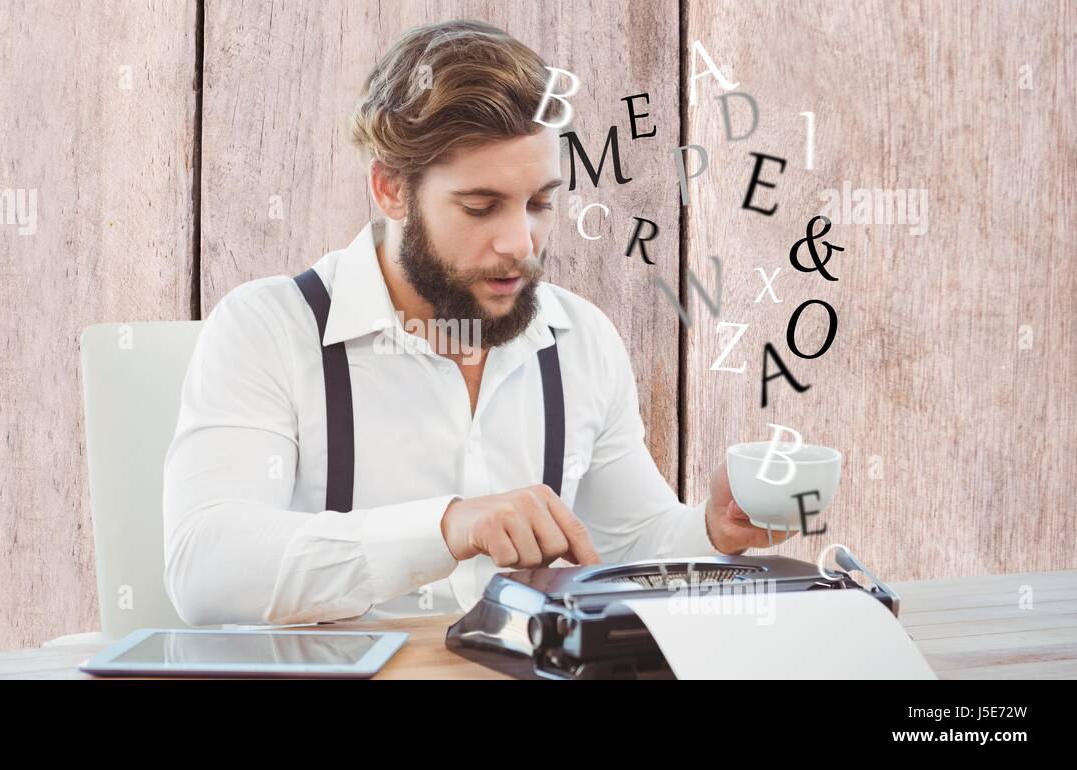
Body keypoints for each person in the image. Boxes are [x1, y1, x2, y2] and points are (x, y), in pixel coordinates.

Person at [162, 19, 794, 627]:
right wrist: (446, 526)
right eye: (480, 206)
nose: (521, 243)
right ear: (391, 189)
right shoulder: (267, 329)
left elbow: (628, 545)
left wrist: (710, 528)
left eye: (540, 203)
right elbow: (205, 568)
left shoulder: (583, 340)